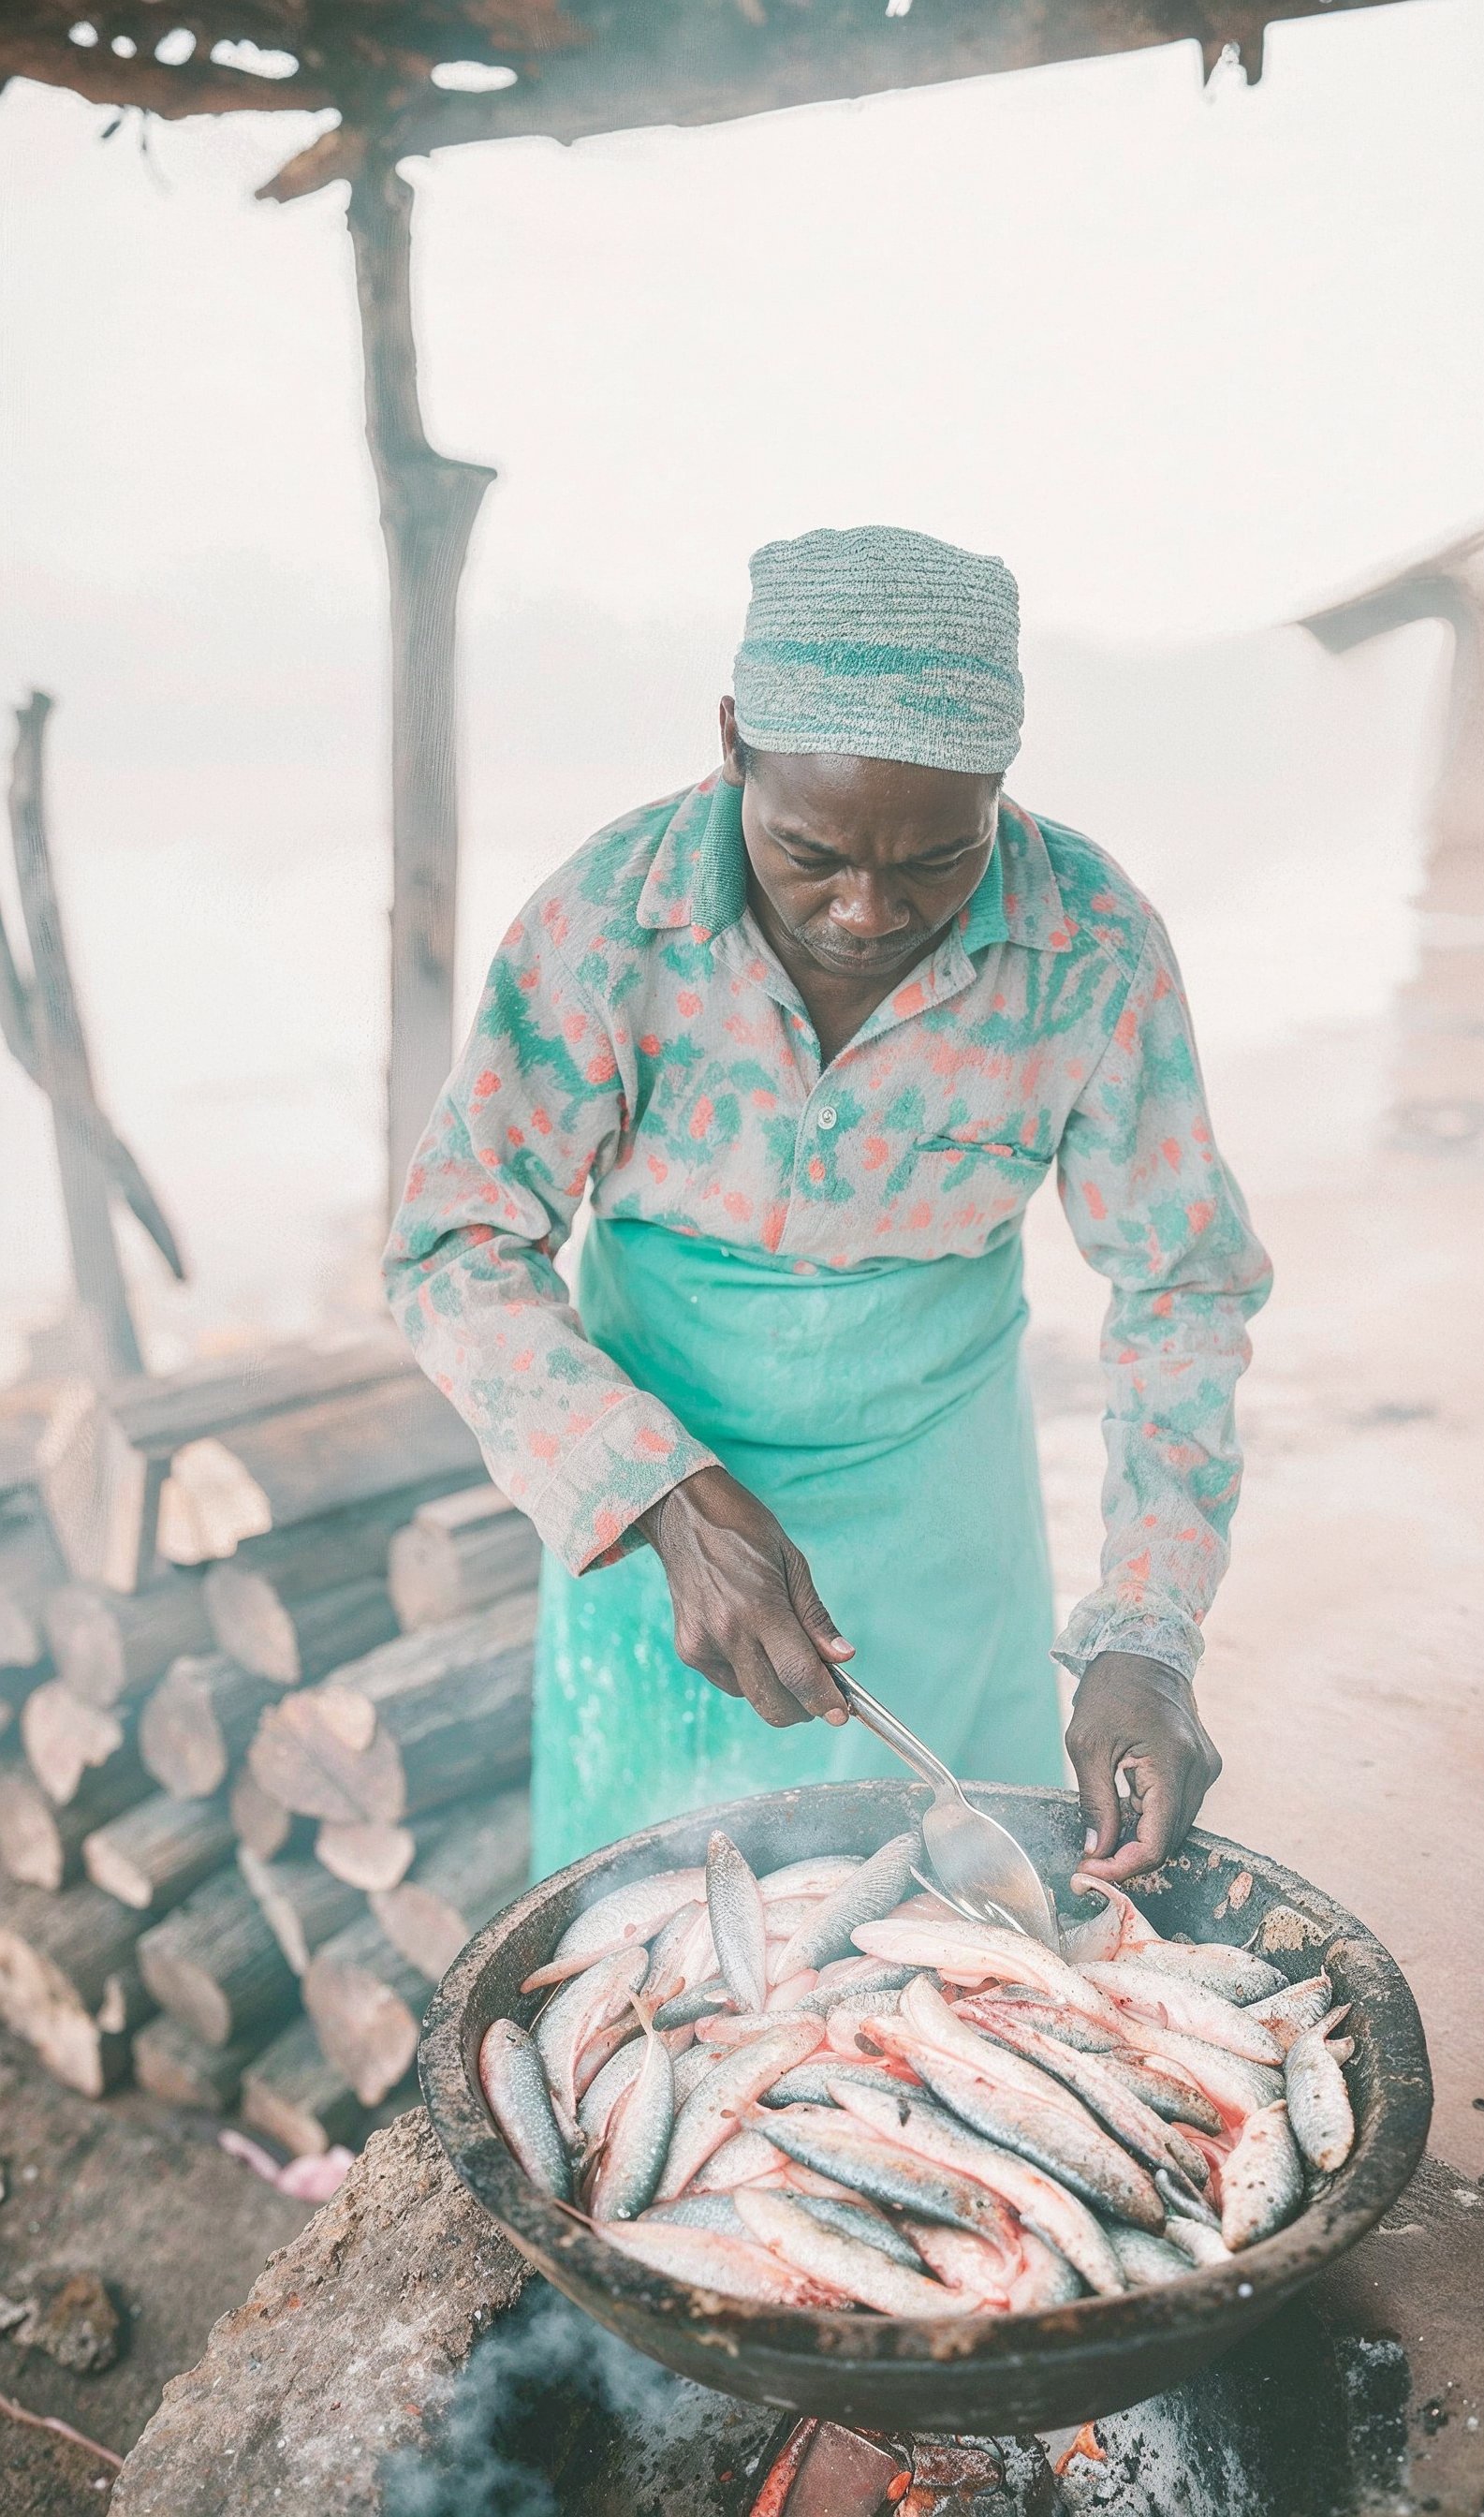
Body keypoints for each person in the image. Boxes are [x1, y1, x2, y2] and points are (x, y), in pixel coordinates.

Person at [383, 525, 1271, 1886]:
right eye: (811, 852)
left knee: (942, 1921)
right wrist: (662, 1497)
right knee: (658, 1926)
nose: (865, 911)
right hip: (661, 1493)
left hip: (937, 1503)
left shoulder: (1091, 944)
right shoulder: (604, 926)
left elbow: (1183, 1283)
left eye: (934, 861)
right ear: (734, 741)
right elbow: (454, 1244)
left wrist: (1146, 1633)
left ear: (999, 788)